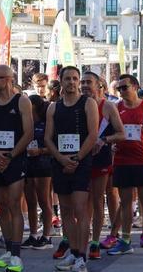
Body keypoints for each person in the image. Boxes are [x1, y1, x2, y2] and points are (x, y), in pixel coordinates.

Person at [44, 66, 99, 272]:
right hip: (60, 162)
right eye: (68, 78)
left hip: (81, 161)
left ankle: (82, 257)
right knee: (66, 210)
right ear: (61, 81)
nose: (72, 82)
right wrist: (61, 158)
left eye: (75, 78)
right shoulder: (53, 107)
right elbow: (48, 138)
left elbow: (92, 135)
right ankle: (73, 252)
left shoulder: (88, 103)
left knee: (80, 209)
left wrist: (75, 159)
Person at [0, 65, 33, 272]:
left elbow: (28, 133)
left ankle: (17, 255)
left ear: (9, 79)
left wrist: (10, 156)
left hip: (15, 159)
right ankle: (9, 250)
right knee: (1, 206)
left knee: (13, 205)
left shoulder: (22, 101)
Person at [109, 74, 143, 256]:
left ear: (135, 87)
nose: (121, 92)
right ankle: (125, 240)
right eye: (119, 88)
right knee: (126, 202)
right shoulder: (116, 108)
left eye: (124, 87)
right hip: (122, 160)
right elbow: (109, 130)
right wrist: (112, 142)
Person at [80, 71, 123, 260]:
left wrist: (103, 140)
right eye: (82, 82)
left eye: (88, 82)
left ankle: (95, 242)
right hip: (79, 158)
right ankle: (80, 238)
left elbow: (121, 133)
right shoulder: (77, 104)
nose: (84, 85)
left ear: (100, 86)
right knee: (81, 202)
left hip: (100, 158)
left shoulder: (108, 107)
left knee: (97, 200)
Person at [20, 94, 54, 250]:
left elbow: (54, 147)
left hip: (44, 164)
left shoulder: (46, 122)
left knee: (44, 200)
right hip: (27, 164)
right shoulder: (25, 122)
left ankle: (47, 236)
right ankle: (33, 234)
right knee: (30, 201)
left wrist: (40, 151)